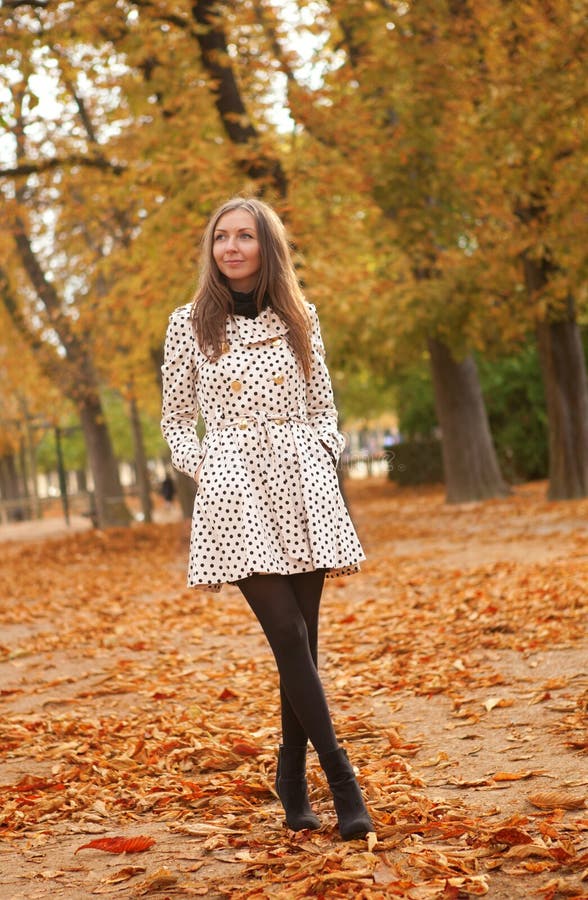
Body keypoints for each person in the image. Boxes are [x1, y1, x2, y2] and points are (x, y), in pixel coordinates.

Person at [160, 196, 373, 841]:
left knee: (303, 645)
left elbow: (323, 406)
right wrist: (213, 467)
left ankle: (289, 775)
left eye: (243, 237)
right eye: (220, 237)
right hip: (235, 494)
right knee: (286, 636)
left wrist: (317, 453)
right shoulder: (188, 324)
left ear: (266, 247)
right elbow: (175, 418)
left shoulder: (300, 318)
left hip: (302, 487)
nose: (230, 247)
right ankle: (342, 781)